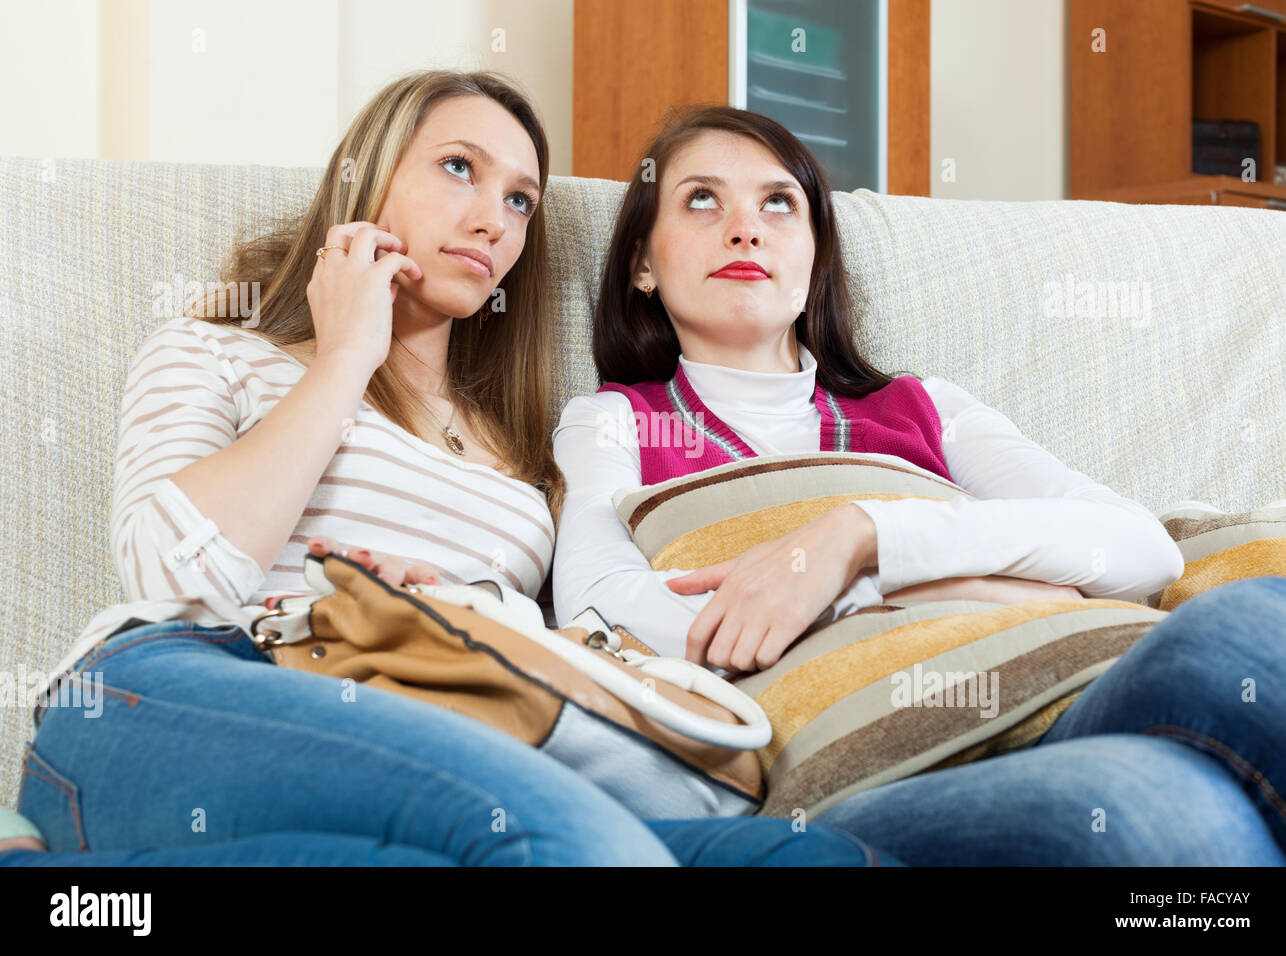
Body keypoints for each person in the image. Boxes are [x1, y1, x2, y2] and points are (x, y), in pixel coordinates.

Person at [13, 72, 895, 868]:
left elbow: (565, 646)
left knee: (814, 859)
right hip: (190, 685)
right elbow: (176, 574)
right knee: (573, 849)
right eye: (460, 169)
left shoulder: (523, 452)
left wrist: (457, 606)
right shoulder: (219, 354)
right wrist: (345, 358)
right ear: (368, 177)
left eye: (520, 201)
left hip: (442, 729)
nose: (492, 219)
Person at [549, 104, 1286, 865]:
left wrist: (866, 535)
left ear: (814, 261)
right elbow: (599, 609)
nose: (746, 228)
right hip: (871, 767)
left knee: (1252, 626)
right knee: (1156, 807)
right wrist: (881, 586)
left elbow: (1142, 549)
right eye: (701, 199)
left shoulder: (926, 407)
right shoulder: (613, 422)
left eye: (779, 202)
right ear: (642, 262)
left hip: (1071, 687)